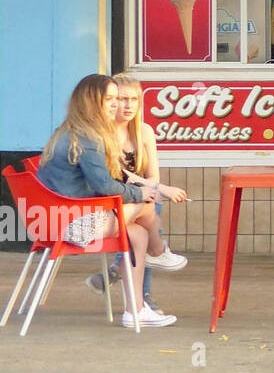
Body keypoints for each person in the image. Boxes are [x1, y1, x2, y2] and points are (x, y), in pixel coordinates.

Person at [35, 75, 187, 328]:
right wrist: (140, 194)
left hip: (51, 221)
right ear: (91, 101)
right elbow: (104, 185)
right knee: (147, 207)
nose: (117, 105)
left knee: (138, 233)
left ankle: (135, 311)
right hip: (69, 226)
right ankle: (158, 251)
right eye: (111, 99)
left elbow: (115, 175)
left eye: (120, 98)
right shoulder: (88, 136)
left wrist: (150, 188)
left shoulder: (69, 129)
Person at [85, 74, 188, 312]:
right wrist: (155, 190)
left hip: (133, 202)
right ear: (109, 101)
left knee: (147, 212)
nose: (129, 105)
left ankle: (118, 273)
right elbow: (115, 178)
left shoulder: (145, 132)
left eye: (134, 99)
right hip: (106, 201)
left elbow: (153, 177)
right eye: (121, 99)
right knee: (150, 206)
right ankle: (146, 286)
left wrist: (151, 189)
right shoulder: (100, 135)